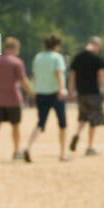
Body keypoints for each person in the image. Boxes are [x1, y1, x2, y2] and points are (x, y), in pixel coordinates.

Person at [23, 33, 68, 162]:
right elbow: (58, 73)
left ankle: (29, 147)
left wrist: (33, 91)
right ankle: (62, 153)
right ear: (57, 46)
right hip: (55, 93)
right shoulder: (57, 57)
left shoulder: (38, 57)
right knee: (62, 124)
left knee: (41, 123)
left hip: (40, 93)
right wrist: (61, 89)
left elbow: (35, 75)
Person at [0, 37, 34, 159]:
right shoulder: (17, 62)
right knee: (15, 125)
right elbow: (23, 80)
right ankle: (16, 150)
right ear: (14, 48)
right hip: (13, 98)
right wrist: (32, 93)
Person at [67, 36, 104, 154]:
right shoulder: (97, 58)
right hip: (94, 93)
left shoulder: (77, 57)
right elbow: (102, 76)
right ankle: (90, 147)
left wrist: (71, 92)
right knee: (93, 120)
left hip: (81, 93)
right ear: (97, 45)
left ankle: (77, 134)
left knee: (83, 117)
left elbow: (72, 77)